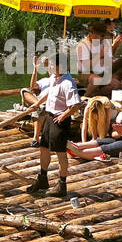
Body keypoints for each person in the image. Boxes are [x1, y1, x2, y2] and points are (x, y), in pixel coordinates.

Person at [26, 58, 82, 195]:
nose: (49, 67)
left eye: (52, 65)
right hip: (50, 117)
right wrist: (38, 103)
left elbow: (76, 104)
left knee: (60, 153)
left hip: (60, 121)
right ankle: (43, 178)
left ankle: (62, 185)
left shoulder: (68, 83)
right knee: (44, 148)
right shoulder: (54, 78)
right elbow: (48, 93)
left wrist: (63, 116)